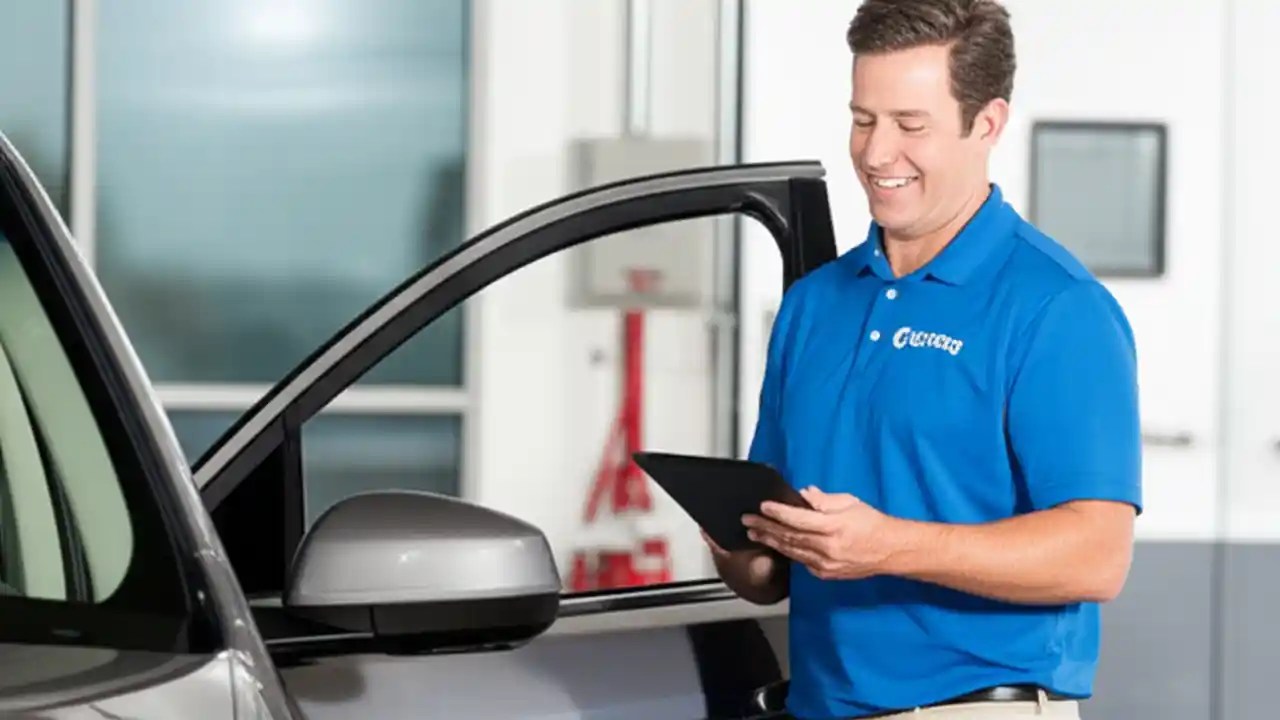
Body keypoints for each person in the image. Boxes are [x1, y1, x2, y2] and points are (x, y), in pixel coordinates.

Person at [704, 1, 1142, 718]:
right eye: (863, 118)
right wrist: (739, 545)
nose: (877, 154)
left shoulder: (1055, 307)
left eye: (911, 126)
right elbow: (772, 573)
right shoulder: (815, 304)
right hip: (813, 704)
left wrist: (886, 547)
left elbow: (1097, 555)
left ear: (988, 123)